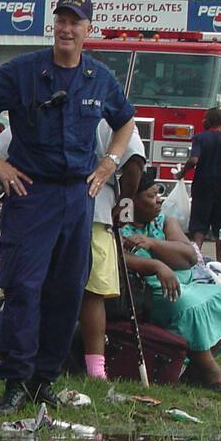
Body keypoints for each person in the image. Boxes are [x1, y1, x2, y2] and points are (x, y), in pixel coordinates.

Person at [0, 0, 136, 415]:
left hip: (78, 195)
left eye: (76, 22)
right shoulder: (24, 71)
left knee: (66, 291)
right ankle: (17, 380)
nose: (67, 28)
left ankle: (45, 381)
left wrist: (109, 163)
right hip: (30, 192)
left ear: (88, 30)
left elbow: (125, 120)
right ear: (52, 26)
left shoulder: (99, 78)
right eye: (61, 20)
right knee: (24, 286)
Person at [120, 167, 221, 391]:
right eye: (151, 195)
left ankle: (196, 368)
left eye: (159, 193)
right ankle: (210, 371)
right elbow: (119, 258)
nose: (159, 200)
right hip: (152, 292)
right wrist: (156, 265)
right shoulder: (120, 227)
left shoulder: (165, 222)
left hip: (186, 283)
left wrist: (153, 244)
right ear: (131, 201)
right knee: (190, 310)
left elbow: (188, 257)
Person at [78, 117, 147, 379]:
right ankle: (96, 369)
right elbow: (135, 162)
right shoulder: (114, 113)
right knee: (93, 293)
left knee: (57, 287)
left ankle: (50, 358)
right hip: (98, 207)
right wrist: (124, 202)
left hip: (59, 206)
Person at [177, 107, 221, 262]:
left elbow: (194, 160)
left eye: (205, 118)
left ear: (207, 121)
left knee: (199, 228)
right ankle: (219, 264)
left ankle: (196, 261)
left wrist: (181, 174)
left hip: (202, 187)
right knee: (220, 229)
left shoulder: (200, 138)